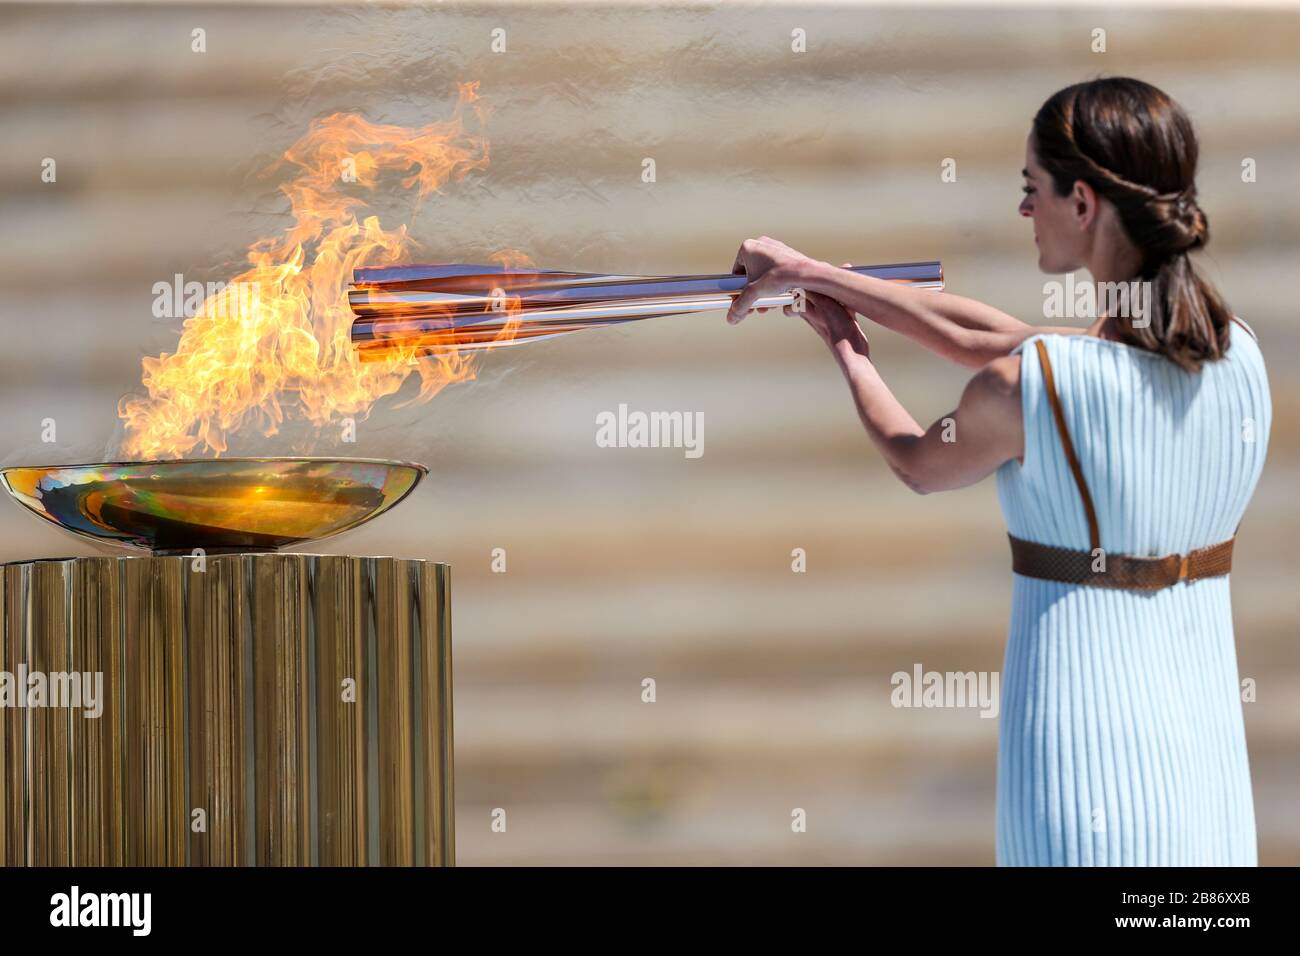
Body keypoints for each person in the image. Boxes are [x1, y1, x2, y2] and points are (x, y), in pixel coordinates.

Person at [726, 76, 1271, 866]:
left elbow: (918, 460)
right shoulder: (1237, 355)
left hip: (1082, 773)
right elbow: (1002, 338)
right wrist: (819, 276)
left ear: (1082, 204)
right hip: (1209, 773)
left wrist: (844, 344)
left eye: (1032, 189)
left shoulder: (1034, 387)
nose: (1023, 210)